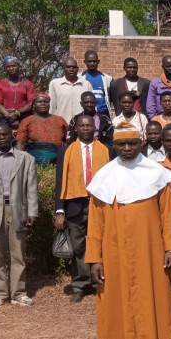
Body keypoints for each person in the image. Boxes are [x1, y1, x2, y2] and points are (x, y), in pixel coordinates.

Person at [85, 124, 171, 339]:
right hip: (113, 251)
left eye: (131, 143)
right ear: (114, 146)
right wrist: (95, 258)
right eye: (121, 144)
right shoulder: (104, 176)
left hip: (150, 249)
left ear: (141, 143)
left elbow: (168, 216)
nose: (126, 149)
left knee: (154, 297)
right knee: (115, 301)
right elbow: (95, 223)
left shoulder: (156, 173)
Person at [54, 114, 110, 303]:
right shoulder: (66, 151)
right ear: (76, 129)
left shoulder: (107, 150)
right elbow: (60, 182)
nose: (86, 128)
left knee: (101, 243)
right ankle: (79, 284)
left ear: (94, 128)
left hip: (100, 203)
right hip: (75, 204)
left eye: (89, 125)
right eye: (82, 125)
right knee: (78, 245)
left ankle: (98, 282)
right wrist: (60, 210)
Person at [0, 124, 38, 310]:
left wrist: (32, 212)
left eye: (4, 134)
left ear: (12, 135)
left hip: (17, 210)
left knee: (18, 255)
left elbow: (32, 188)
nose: (1, 137)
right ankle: (0, 294)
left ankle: (19, 293)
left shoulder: (26, 159)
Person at [16, 93, 68, 163]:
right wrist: (19, 161)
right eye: (39, 102)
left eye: (46, 102)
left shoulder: (60, 120)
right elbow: (21, 143)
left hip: (59, 160)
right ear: (34, 105)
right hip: (34, 161)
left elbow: (68, 141)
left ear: (49, 105)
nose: (43, 104)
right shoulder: (27, 121)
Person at [0, 56, 35, 132]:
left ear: (18, 67)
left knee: (25, 141)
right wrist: (10, 117)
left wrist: (17, 113)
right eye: (8, 67)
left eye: (13, 66)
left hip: (24, 117)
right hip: (6, 118)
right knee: (6, 141)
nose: (11, 68)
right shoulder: (0, 83)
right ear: (5, 69)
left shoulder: (27, 83)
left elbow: (32, 102)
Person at [49, 57, 93, 122]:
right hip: (61, 123)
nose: (71, 69)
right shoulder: (55, 84)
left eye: (74, 67)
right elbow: (51, 107)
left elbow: (92, 106)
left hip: (81, 125)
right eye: (68, 67)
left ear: (77, 69)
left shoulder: (86, 84)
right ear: (63, 68)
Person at [78, 50, 113, 116]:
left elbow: (110, 97)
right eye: (89, 61)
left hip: (103, 112)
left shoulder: (107, 78)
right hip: (85, 112)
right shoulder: (79, 78)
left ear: (98, 62)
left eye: (94, 61)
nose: (92, 63)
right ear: (85, 62)